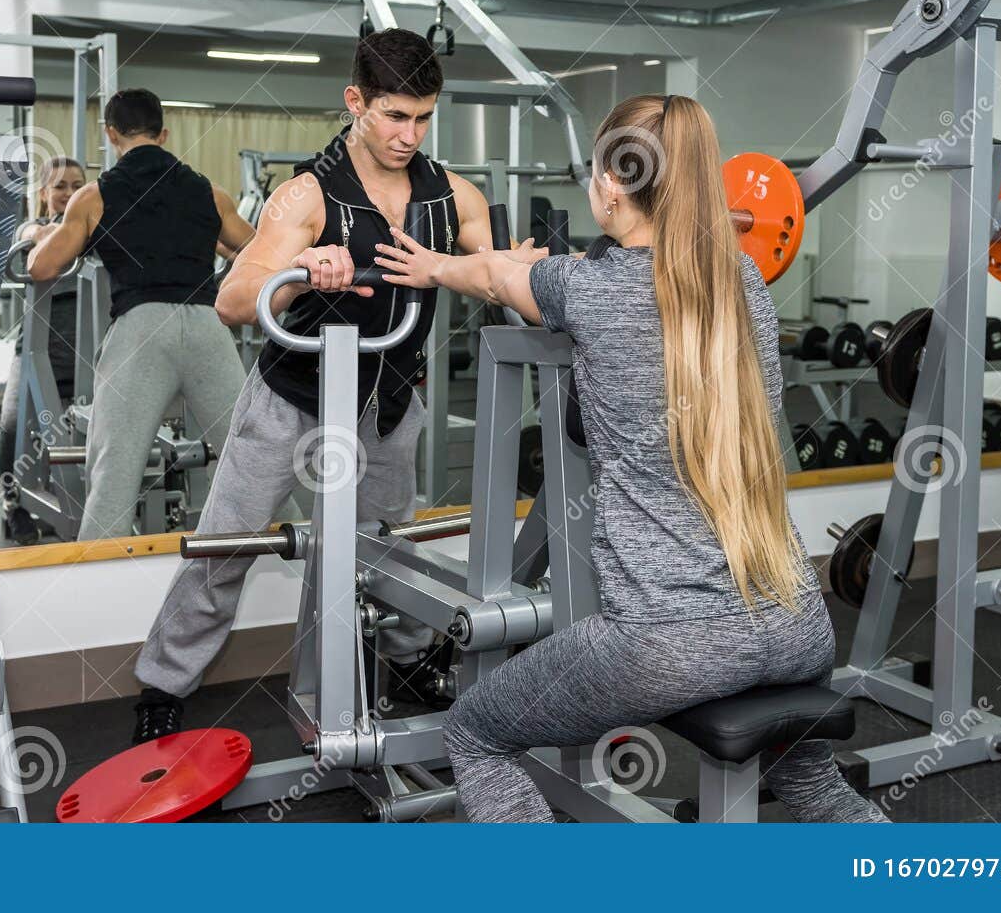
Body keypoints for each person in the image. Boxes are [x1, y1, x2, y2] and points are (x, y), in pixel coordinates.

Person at [376, 93, 888, 823]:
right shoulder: (743, 281)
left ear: (613, 184)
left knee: (476, 733)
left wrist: (434, 267)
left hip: (668, 643)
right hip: (798, 622)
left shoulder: (588, 289)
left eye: (594, 171)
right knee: (813, 785)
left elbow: (492, 279)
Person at [129, 28, 496, 744]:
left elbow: (504, 273)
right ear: (355, 101)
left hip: (388, 404)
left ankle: (410, 663)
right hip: (291, 399)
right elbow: (236, 299)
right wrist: (299, 274)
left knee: (387, 551)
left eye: (423, 117)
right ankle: (163, 686)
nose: (409, 134)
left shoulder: (453, 194)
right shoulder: (306, 194)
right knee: (226, 548)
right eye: (394, 115)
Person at [28, 88, 254, 541]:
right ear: (163, 132)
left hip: (141, 329)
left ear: (112, 134)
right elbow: (256, 249)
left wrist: (40, 231)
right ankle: (296, 574)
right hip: (208, 325)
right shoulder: (208, 191)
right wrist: (203, 242)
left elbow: (43, 266)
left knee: (113, 476)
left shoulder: (94, 196)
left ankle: (99, 591)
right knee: (249, 460)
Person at [0, 156, 85, 544]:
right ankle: (13, 507)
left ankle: (65, 506)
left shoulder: (95, 234)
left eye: (77, 185)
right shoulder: (34, 230)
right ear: (44, 193)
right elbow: (31, 233)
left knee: (71, 437)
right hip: (35, 350)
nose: (69, 193)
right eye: (60, 186)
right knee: (14, 430)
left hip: (85, 351)